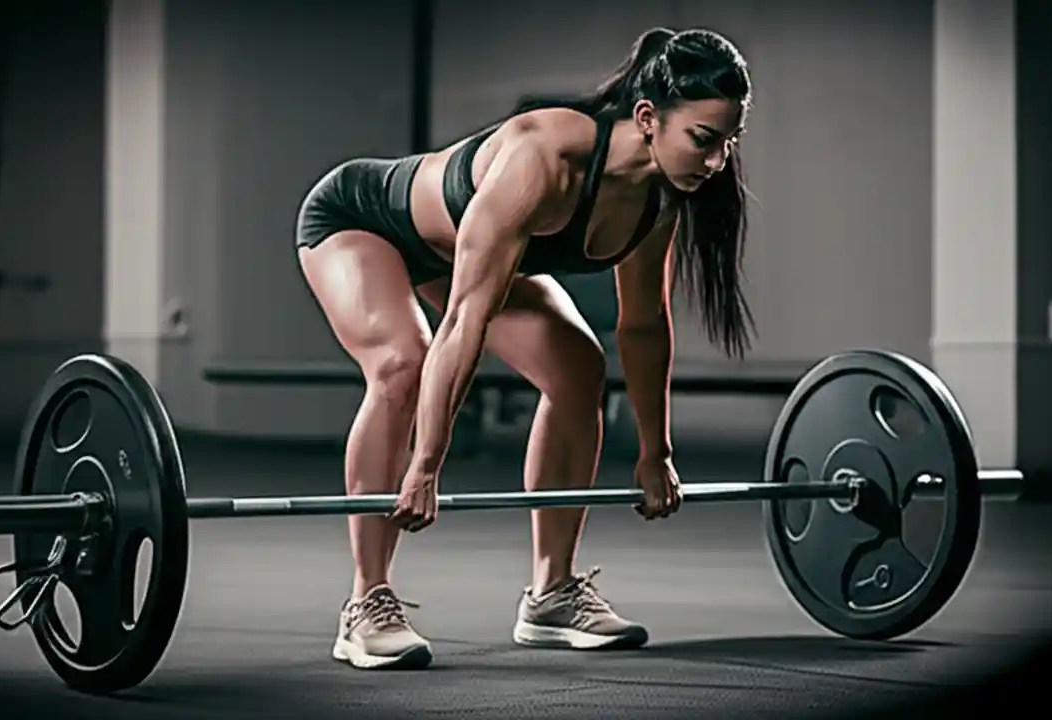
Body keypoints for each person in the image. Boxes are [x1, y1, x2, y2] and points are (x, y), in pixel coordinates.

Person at [294, 26, 755, 670]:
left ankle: (552, 594)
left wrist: (657, 454)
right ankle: (366, 601)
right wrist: (425, 463)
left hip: (456, 254)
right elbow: (466, 317)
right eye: (703, 140)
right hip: (362, 220)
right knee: (402, 364)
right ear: (649, 118)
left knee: (579, 367)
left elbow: (644, 326)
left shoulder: (657, 201)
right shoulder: (544, 157)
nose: (716, 162)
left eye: (728, 142)